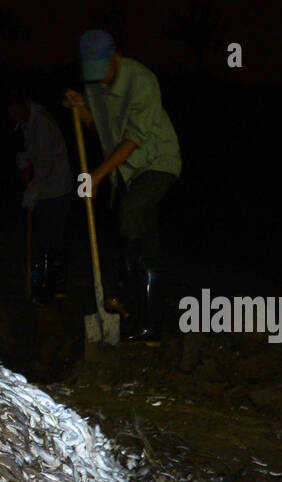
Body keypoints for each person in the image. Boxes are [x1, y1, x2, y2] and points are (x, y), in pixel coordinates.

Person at [63, 29, 181, 341]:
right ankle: (146, 321)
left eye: (103, 70)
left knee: (132, 213)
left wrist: (97, 176)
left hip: (156, 161)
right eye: (92, 73)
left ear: (116, 55)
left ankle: (133, 300)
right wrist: (80, 107)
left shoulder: (142, 81)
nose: (99, 80)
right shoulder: (94, 86)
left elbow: (133, 140)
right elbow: (97, 125)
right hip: (124, 171)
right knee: (137, 228)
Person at [7, 87, 73, 304]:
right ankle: (58, 286)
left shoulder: (42, 123)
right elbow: (34, 153)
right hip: (48, 186)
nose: (14, 118)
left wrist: (32, 192)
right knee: (51, 239)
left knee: (48, 240)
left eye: (16, 112)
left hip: (55, 188)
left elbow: (46, 166)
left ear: (25, 104)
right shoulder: (28, 122)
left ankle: (46, 291)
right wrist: (25, 158)